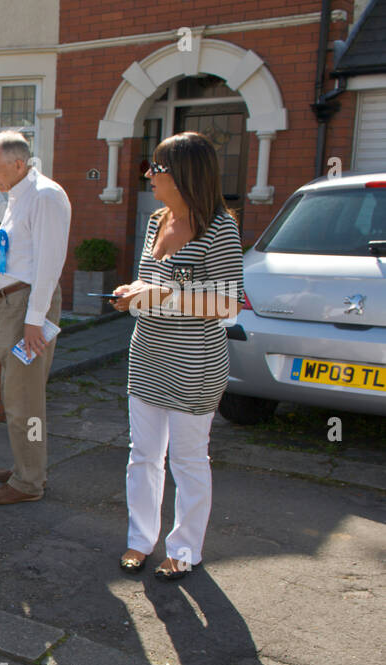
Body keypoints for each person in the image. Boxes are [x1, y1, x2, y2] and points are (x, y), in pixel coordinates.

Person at [111, 131, 243, 580]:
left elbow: (226, 303)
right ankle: (139, 539)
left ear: (185, 174)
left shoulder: (220, 227)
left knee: (188, 460)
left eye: (157, 168)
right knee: (143, 455)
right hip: (148, 355)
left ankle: (185, 550)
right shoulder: (156, 221)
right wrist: (133, 293)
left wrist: (159, 295)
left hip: (195, 362)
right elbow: (151, 281)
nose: (148, 174)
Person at [0, 131, 71, 504]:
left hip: (29, 308)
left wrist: (35, 319)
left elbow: (50, 262)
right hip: (14, 306)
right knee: (17, 396)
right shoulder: (20, 196)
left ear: (18, 165)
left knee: (26, 402)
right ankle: (28, 466)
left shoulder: (46, 196)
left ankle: (29, 480)